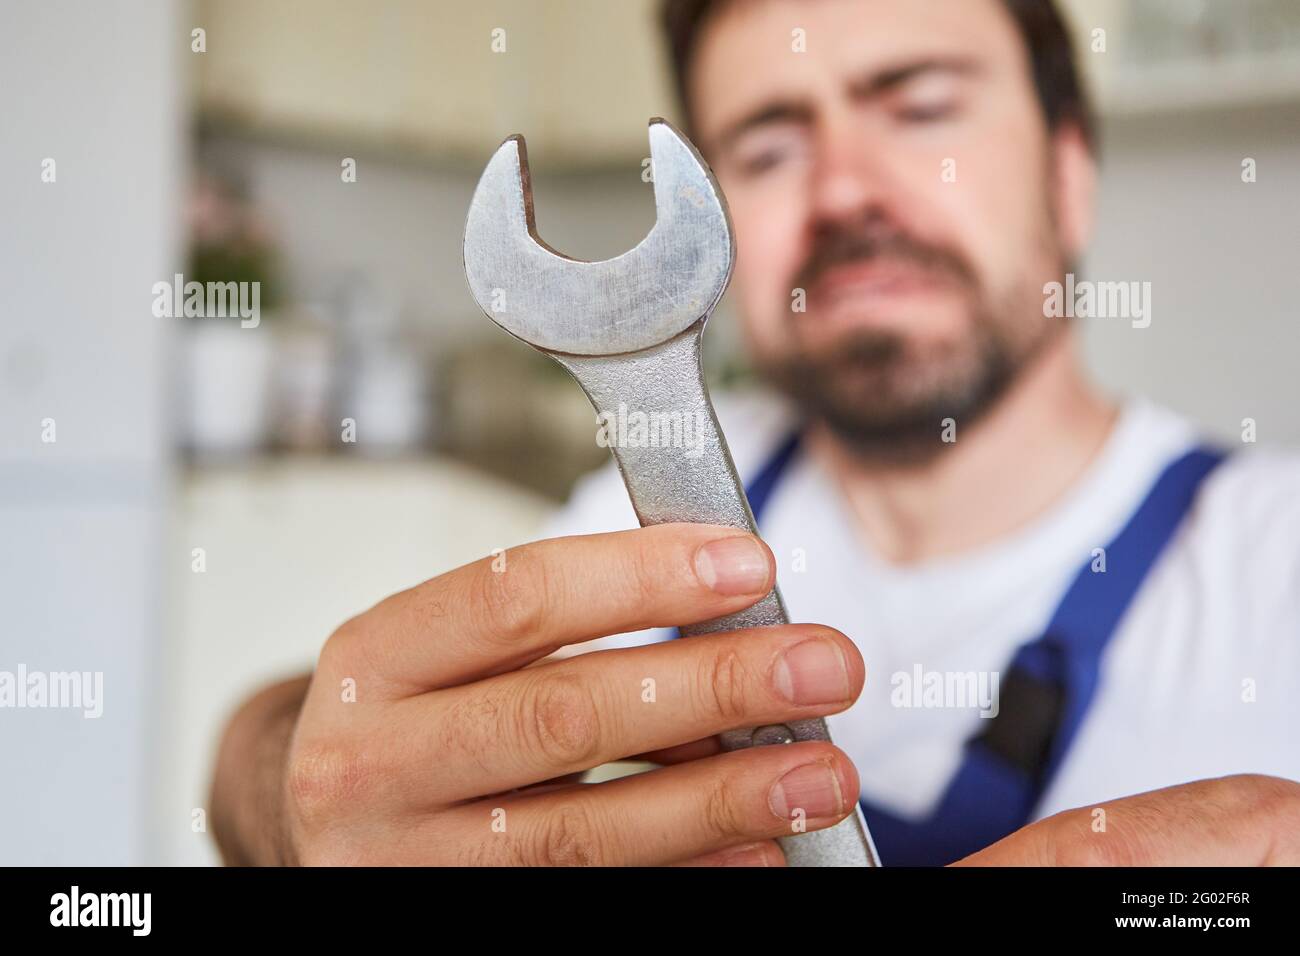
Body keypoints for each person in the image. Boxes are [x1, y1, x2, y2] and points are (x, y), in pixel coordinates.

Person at [209, 0, 1300, 866]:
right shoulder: (651, 501)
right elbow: (283, 727)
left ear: (1070, 173)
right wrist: (300, 794)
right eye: (769, 147)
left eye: (920, 109)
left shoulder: (1270, 560)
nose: (843, 192)